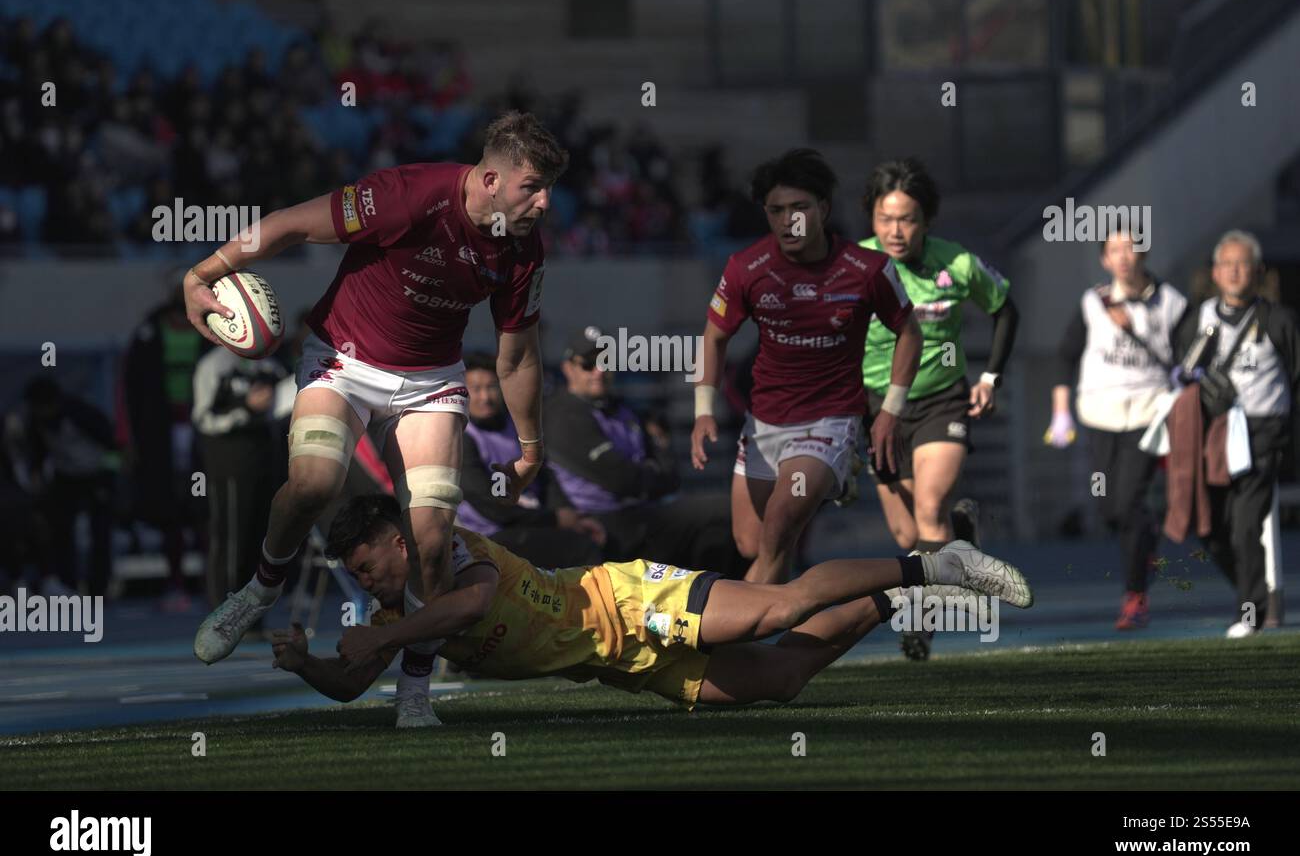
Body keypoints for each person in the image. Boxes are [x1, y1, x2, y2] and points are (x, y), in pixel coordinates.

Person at [191, 110, 566, 666]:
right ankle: (260, 590)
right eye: (532, 187)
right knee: (314, 484)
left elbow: (518, 358)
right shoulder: (409, 195)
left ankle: (415, 687)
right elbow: (291, 224)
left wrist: (531, 449)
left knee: (432, 541)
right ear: (491, 180)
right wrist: (203, 273)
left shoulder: (523, 249)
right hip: (343, 361)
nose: (544, 203)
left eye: (549, 189)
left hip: (430, 383)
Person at [269, 494, 1032, 711]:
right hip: (624, 664)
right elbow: (349, 686)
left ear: (398, 543)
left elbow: (472, 607)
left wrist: (382, 640)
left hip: (628, 601)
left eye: (366, 566)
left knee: (777, 609)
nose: (364, 582)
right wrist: (307, 665)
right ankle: (898, 596)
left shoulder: (456, 552)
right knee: (782, 679)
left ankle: (937, 562)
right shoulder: (398, 619)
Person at [691, 148, 922, 585]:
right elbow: (714, 338)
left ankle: (732, 632)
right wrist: (704, 410)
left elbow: (909, 333)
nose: (788, 221)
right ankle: (797, 608)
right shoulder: (746, 268)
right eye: (776, 210)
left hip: (828, 422)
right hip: (763, 425)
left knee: (779, 531)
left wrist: (890, 412)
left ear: (824, 209)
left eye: (799, 208)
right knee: (750, 544)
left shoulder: (868, 268)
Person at [857, 158, 1019, 660]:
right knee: (908, 534)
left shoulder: (958, 263)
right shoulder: (853, 265)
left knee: (929, 509)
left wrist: (990, 378)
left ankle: (922, 622)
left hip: (941, 402)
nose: (895, 231)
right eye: (885, 219)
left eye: (907, 219)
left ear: (926, 220)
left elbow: (1005, 309)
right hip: (878, 409)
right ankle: (961, 536)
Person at [1045, 230, 1188, 630]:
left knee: (1128, 501)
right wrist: (1061, 413)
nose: (1123, 256)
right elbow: (1065, 356)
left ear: (1144, 253)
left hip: (1148, 411)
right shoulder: (1093, 302)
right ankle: (1148, 535)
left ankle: (1135, 596)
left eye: (1130, 248)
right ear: (1104, 260)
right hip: (1100, 414)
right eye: (1114, 250)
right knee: (1109, 506)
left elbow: (1187, 360)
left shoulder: (1171, 302)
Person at [1171, 230, 1299, 637]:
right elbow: (1178, 371)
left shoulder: (1279, 319)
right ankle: (1250, 591)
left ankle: (1251, 612)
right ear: (1214, 272)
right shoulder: (1199, 318)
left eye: (1242, 264)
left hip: (1263, 432)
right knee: (1209, 527)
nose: (1234, 272)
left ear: (1258, 271)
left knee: (1246, 524)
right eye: (1226, 264)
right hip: (1214, 433)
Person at [545, 327, 745, 577]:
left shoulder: (625, 409)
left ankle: (716, 595)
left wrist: (653, 471)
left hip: (643, 513)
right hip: (603, 523)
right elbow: (622, 480)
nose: (599, 371)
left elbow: (671, 476)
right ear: (568, 368)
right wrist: (654, 471)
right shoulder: (563, 414)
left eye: (607, 361)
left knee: (718, 534)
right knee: (725, 508)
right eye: (588, 364)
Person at [459, 351, 606, 569]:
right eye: (476, 389)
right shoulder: (463, 438)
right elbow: (492, 507)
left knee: (599, 536)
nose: (485, 397)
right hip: (492, 535)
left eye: (491, 387)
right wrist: (555, 519)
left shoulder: (517, 428)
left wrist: (571, 516)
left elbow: (545, 478)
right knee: (581, 549)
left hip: (532, 522)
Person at [123, 271, 207, 611]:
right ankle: (175, 583)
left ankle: (212, 583)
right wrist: (131, 438)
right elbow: (130, 389)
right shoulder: (149, 333)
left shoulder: (209, 331)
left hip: (201, 429)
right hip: (162, 435)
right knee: (170, 510)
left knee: (203, 508)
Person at [192, 344, 289, 610]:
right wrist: (246, 408)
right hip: (229, 468)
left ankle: (252, 612)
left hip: (265, 465)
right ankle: (222, 609)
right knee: (230, 539)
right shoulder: (214, 365)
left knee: (260, 542)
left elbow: (284, 401)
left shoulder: (269, 364)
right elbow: (203, 418)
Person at [3, 377, 119, 597]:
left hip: (96, 474)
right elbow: (38, 450)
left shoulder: (80, 414)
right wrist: (36, 473)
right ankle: (67, 583)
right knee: (61, 530)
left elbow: (111, 443)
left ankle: (99, 588)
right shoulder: (38, 421)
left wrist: (109, 476)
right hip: (66, 477)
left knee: (100, 532)